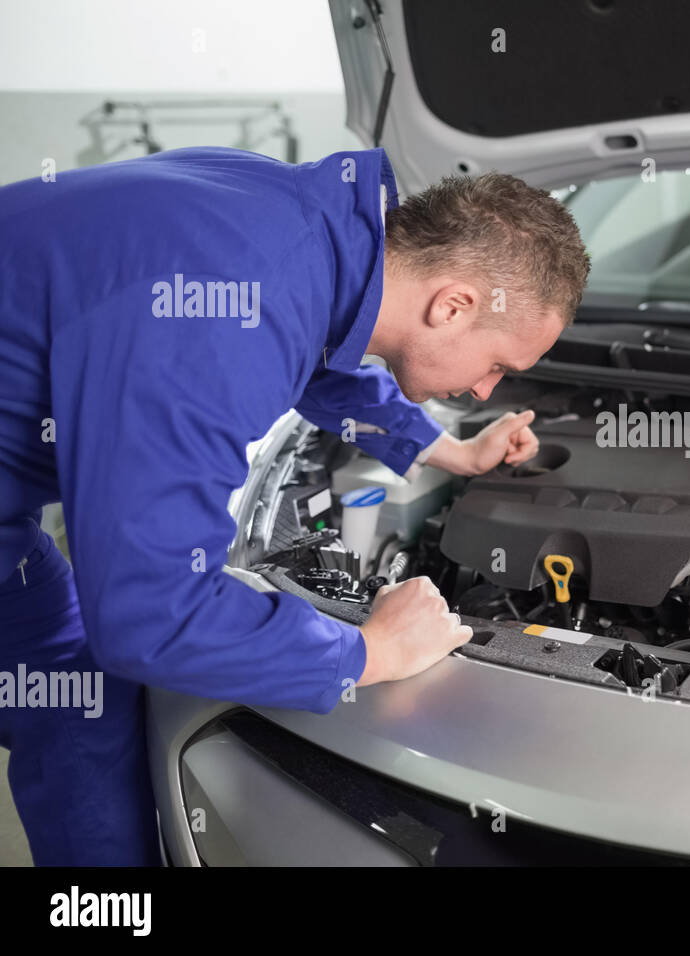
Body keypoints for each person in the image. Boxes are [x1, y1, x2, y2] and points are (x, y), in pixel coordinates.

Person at [0, 146, 590, 864]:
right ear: (454, 304)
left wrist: (446, 451)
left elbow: (323, 349)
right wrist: (368, 651)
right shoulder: (218, 314)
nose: (486, 392)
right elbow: (150, 613)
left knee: (77, 696)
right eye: (499, 365)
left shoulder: (308, 234)